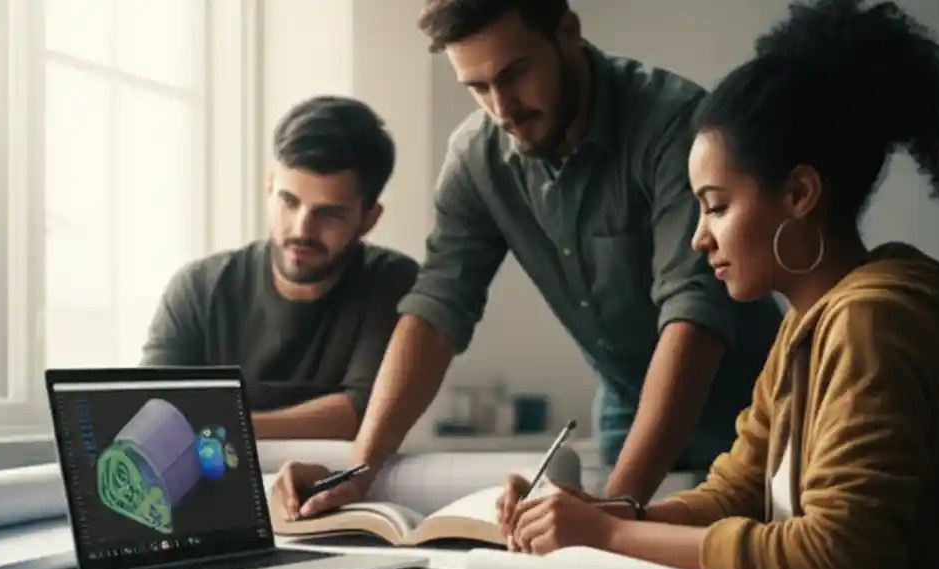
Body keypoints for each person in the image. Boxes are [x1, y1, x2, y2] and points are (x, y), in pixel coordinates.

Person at [496, 0, 939, 569]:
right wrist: (604, 515)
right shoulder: (806, 322)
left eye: (716, 204)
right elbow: (737, 488)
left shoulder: (872, 326)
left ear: (798, 193)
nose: (700, 236)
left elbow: (840, 555)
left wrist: (611, 538)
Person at [271, 0, 783, 521]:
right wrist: (357, 470)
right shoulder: (476, 158)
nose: (502, 108)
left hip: (760, 415)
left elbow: (692, 316)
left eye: (515, 73)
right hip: (628, 419)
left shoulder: (673, 123)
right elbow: (435, 311)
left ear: (568, 32)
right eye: (476, 87)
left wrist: (611, 513)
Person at [141, 96, 418, 440]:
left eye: (329, 213)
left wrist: (222, 424)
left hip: (334, 488)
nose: (302, 228)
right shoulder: (198, 288)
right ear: (270, 188)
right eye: (288, 202)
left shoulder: (392, 283)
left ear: (368, 219)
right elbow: (151, 409)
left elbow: (366, 412)